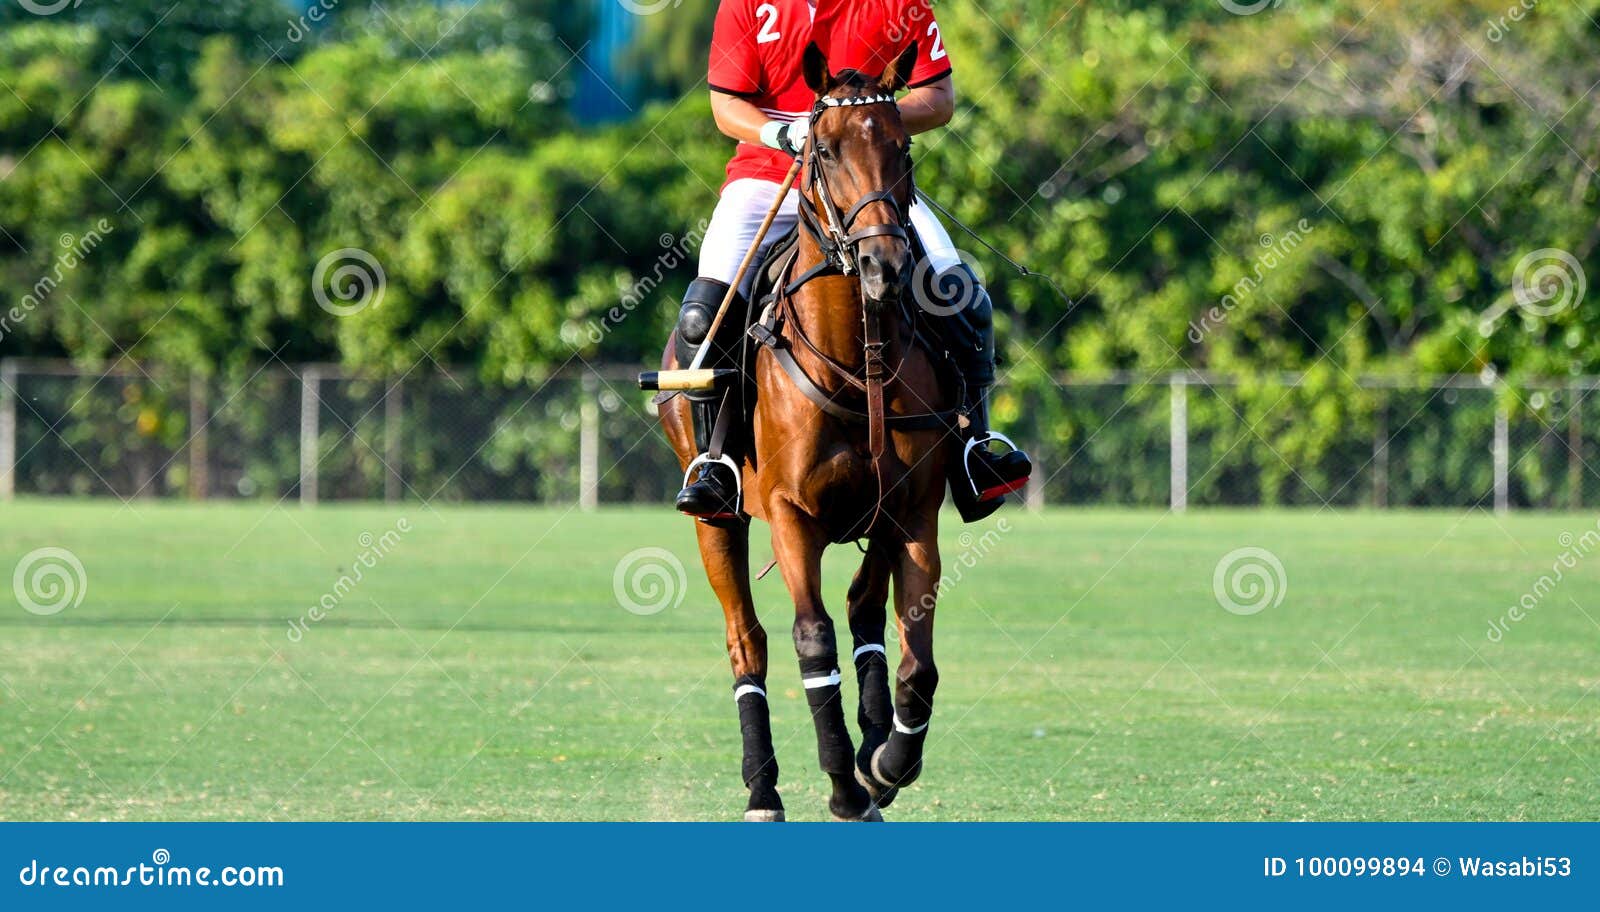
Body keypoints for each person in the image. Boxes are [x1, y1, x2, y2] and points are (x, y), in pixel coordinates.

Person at [672, 0, 1031, 522]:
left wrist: (859, 123)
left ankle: (975, 451)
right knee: (701, 317)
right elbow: (726, 105)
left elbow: (939, 98)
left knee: (962, 297)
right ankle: (717, 462)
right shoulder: (746, 4)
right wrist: (785, 133)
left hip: (868, 187)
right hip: (766, 179)